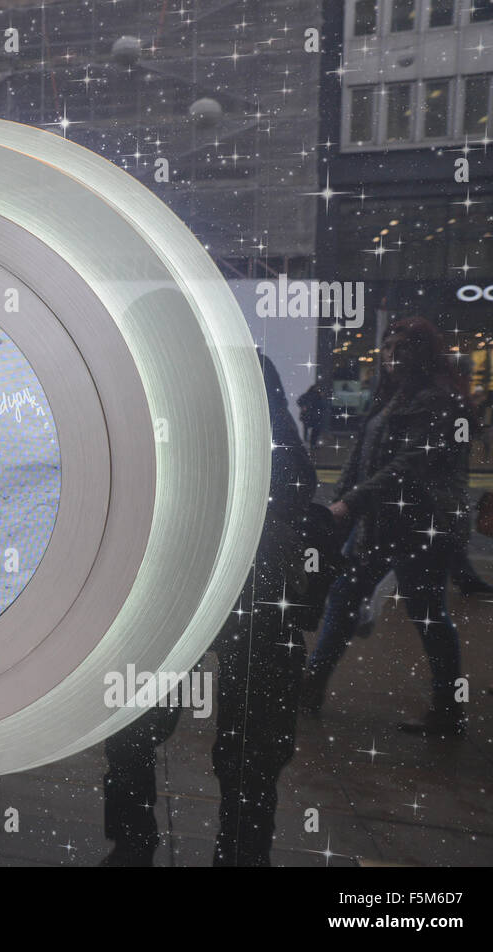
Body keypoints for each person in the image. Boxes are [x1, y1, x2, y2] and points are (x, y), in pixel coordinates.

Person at [101, 351, 317, 867]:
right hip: (243, 584)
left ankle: (136, 848)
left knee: (137, 725)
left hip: (188, 583)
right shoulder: (241, 366)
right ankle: (236, 853)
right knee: (243, 743)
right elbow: (294, 482)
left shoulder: (176, 370)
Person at [302, 317, 469, 737]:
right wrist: (341, 504)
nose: (393, 356)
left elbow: (408, 467)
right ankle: (309, 690)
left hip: (421, 528)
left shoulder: (437, 401)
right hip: (379, 526)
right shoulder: (392, 398)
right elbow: (361, 460)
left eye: (403, 347)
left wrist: (347, 505)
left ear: (424, 352)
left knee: (428, 614)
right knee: (342, 600)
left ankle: (449, 712)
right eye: (388, 347)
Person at [297, 382, 328, 450]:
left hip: (311, 416)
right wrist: (304, 406)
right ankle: (310, 445)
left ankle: (309, 444)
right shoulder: (313, 396)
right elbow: (300, 401)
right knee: (312, 431)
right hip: (312, 416)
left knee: (310, 431)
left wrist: (304, 406)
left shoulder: (311, 395)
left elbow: (300, 401)